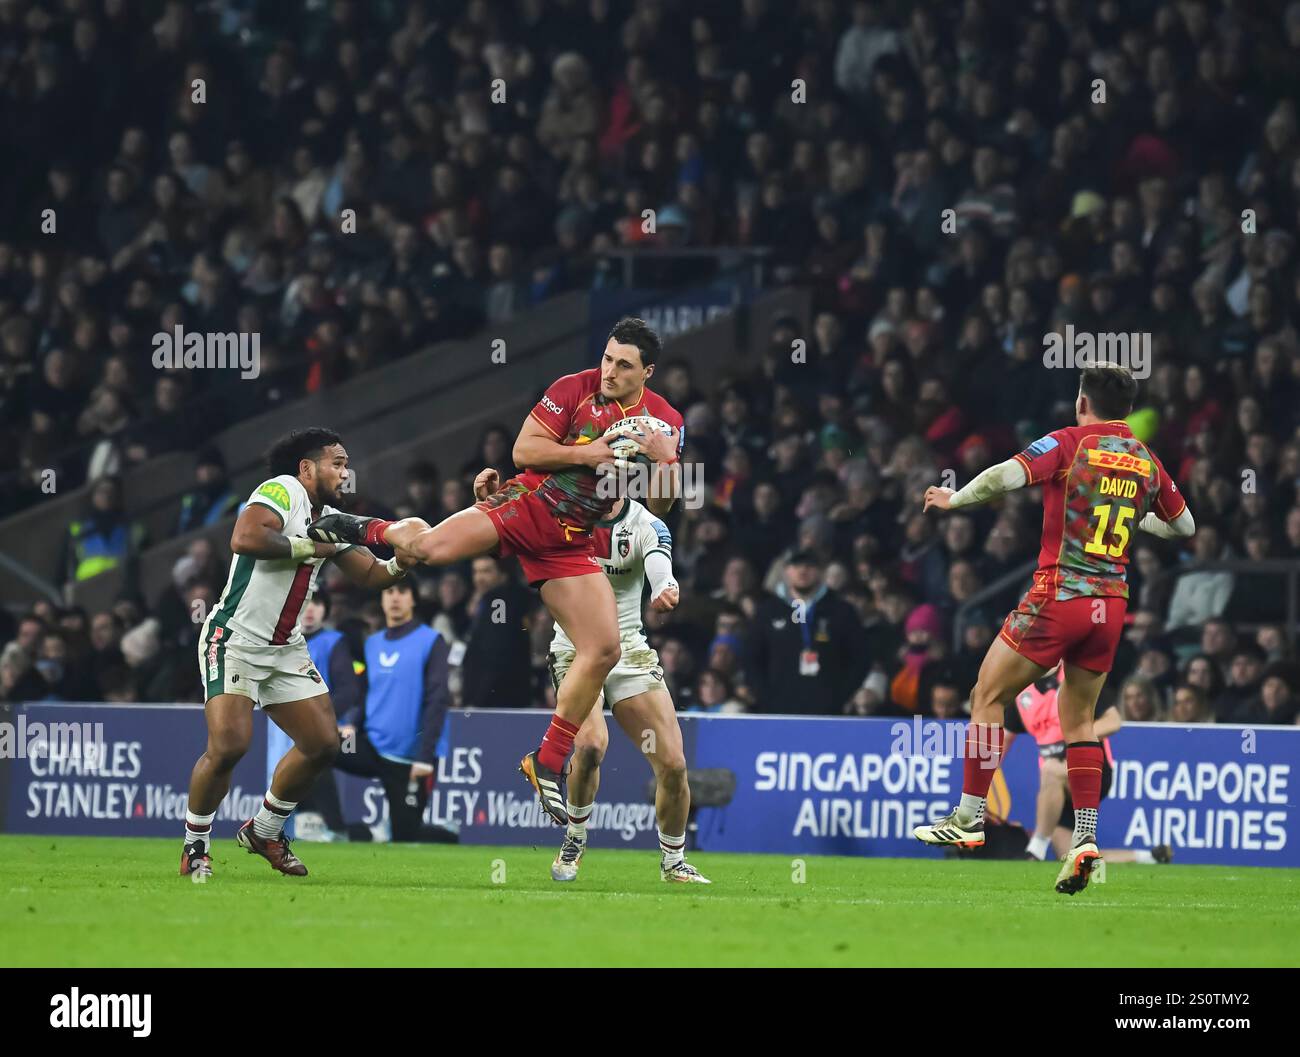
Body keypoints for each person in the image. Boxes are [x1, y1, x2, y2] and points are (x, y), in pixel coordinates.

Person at [307, 318, 683, 826]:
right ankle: (354, 525)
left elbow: (658, 508)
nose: (609, 371)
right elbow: (524, 451)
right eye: (607, 358)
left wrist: (666, 463)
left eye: (623, 365)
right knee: (425, 550)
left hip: (571, 541)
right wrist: (588, 452)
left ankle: (545, 763)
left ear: (648, 372)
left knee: (604, 647)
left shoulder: (663, 420)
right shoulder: (573, 388)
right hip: (529, 504)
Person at [912, 364, 1195, 895]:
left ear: (1082, 400)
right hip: (1110, 607)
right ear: (1127, 410)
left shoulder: (1067, 443)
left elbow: (1004, 476)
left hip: (1059, 596)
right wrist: (1134, 515)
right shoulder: (1145, 460)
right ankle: (1085, 839)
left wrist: (955, 500)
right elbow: (1185, 526)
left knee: (987, 693)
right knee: (1080, 722)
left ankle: (969, 819)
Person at [179, 428, 415, 880]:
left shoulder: (333, 517)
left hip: (285, 649)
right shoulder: (281, 490)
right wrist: (310, 546)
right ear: (307, 468)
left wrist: (404, 559)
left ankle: (266, 829)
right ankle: (196, 844)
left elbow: (370, 575)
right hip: (234, 639)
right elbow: (245, 537)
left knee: (324, 743)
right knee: (229, 746)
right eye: (337, 463)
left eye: (347, 464)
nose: (345, 472)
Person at [476, 462, 708, 883]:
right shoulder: (558, 520)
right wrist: (487, 505)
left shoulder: (645, 525)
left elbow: (659, 563)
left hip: (630, 650)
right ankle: (575, 839)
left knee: (673, 764)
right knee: (591, 746)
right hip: (575, 650)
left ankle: (674, 862)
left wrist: (665, 587)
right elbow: (503, 540)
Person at [1007, 666, 1172, 865]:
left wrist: (1073, 740)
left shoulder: (1080, 680)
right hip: (1057, 787)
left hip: (1092, 769)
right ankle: (1150, 858)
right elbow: (1003, 739)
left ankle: (1035, 849)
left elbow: (1113, 722)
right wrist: (986, 777)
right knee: (1071, 858)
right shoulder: (1022, 695)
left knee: (1050, 770)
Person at [333, 579, 456, 842]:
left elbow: (437, 700)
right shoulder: (373, 643)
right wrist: (352, 724)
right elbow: (366, 691)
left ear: (413, 599)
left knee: (405, 837)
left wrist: (425, 756)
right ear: (382, 600)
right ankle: (329, 826)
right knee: (318, 748)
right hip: (372, 746)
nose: (395, 598)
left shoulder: (431, 641)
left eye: (402, 592)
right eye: (389, 591)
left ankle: (447, 836)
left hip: (409, 758)